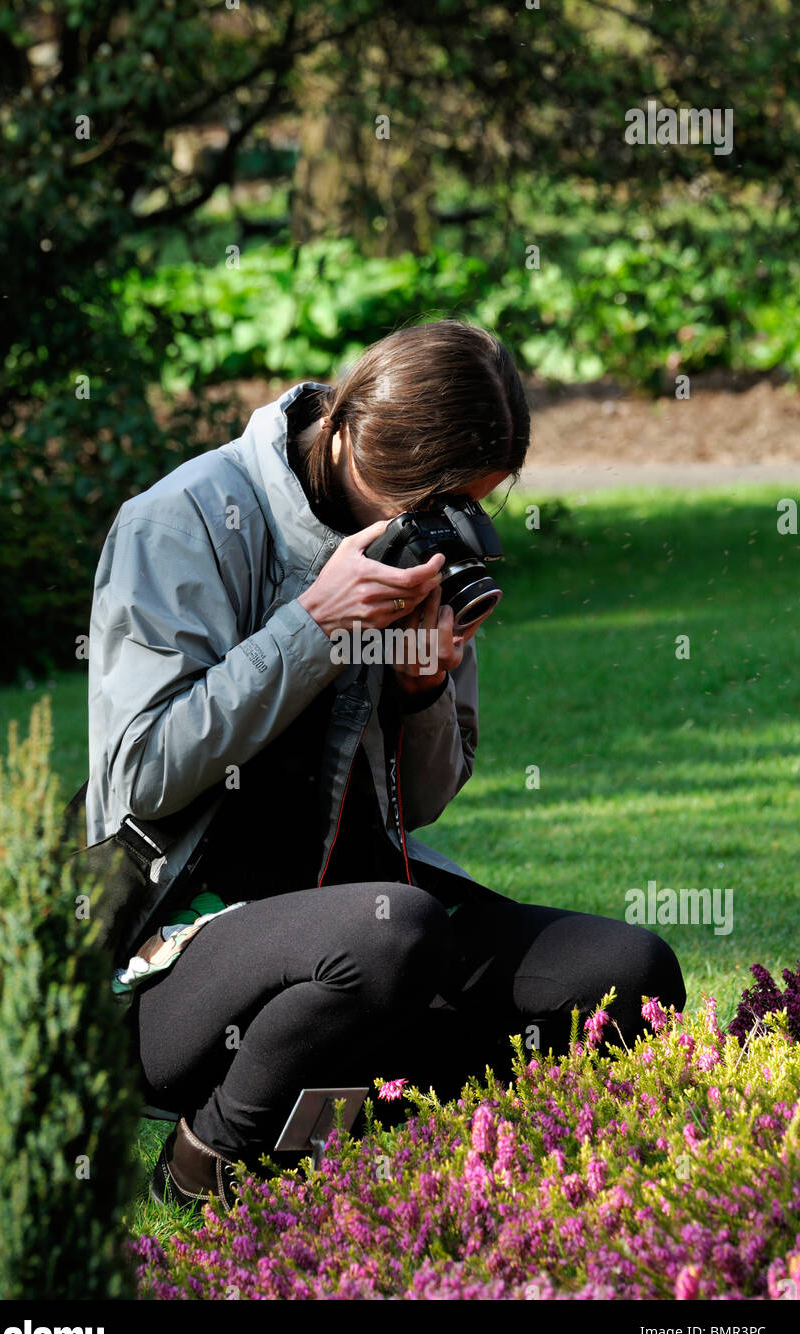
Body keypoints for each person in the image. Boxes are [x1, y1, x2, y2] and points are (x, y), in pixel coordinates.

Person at [84, 319, 686, 1212]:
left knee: (628, 971)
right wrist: (312, 630)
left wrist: (421, 689)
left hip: (369, 933)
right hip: (174, 955)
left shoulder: (422, 545)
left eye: (467, 508)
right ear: (351, 442)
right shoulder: (182, 522)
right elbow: (140, 775)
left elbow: (428, 802)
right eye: (425, 508)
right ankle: (204, 1163)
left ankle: (371, 1135)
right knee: (390, 931)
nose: (441, 531)